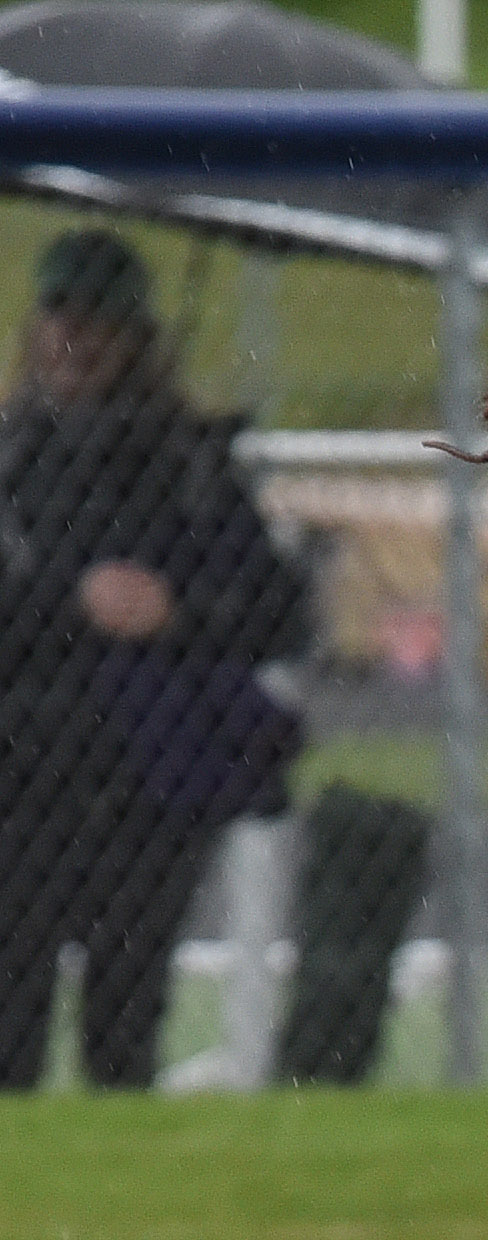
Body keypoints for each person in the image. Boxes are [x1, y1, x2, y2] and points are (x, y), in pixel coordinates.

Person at [0, 227, 310, 1091]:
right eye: (61, 316)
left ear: (136, 336)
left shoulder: (192, 471)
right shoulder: (12, 463)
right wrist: (74, 606)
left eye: (97, 321)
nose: (76, 339)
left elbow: (279, 612)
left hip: (146, 792)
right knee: (8, 1023)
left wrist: (176, 613)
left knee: (125, 1025)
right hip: (18, 783)